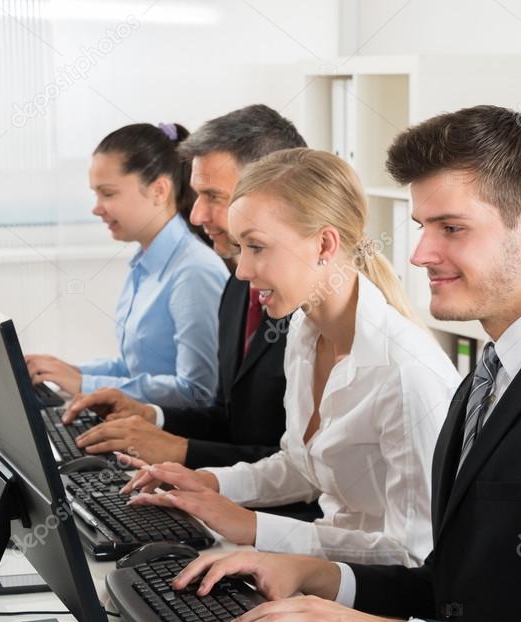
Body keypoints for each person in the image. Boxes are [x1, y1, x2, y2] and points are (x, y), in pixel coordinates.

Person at [167, 106, 521, 622]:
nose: (419, 254)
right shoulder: (493, 372)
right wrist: (317, 577)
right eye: (422, 227)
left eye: (452, 228)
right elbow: (452, 587)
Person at [120, 148, 460, 567]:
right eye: (241, 246)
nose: (242, 270)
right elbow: (302, 467)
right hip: (327, 572)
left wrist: (254, 527)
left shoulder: (406, 372)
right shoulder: (303, 330)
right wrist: (207, 482)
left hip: (375, 599)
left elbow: (412, 555)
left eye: (257, 247)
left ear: (324, 244)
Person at [60, 105, 307, 475]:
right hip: (232, 492)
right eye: (197, 195)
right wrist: (153, 417)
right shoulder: (240, 289)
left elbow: (306, 471)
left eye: (214, 196)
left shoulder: (312, 309)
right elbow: (230, 419)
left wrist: (181, 451)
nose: (195, 216)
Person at [24, 123, 228, 408]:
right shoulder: (145, 264)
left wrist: (83, 384)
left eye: (107, 193)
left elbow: (196, 392)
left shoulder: (194, 271)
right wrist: (70, 371)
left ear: (159, 191)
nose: (96, 207)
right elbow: (137, 370)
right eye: (95, 194)